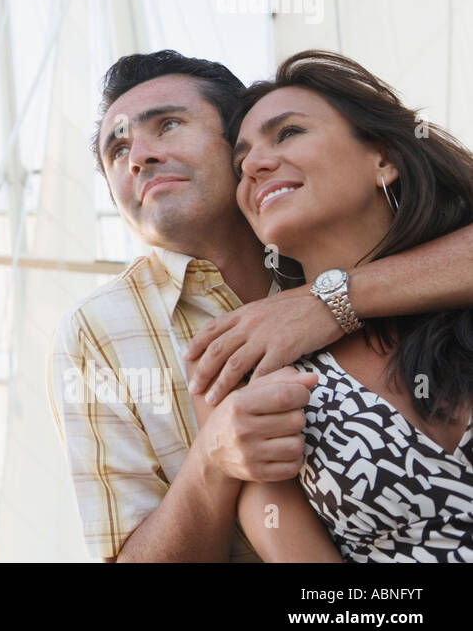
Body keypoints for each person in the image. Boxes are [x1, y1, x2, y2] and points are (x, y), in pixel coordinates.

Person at [48, 50, 473, 562]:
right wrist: (212, 460)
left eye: (168, 125)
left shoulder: (440, 270)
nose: (137, 155)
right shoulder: (105, 336)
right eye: (116, 151)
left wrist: (330, 301)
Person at [197, 50, 473, 562]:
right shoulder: (247, 370)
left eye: (288, 133)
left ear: (384, 159)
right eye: (240, 164)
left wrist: (333, 301)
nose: (255, 165)